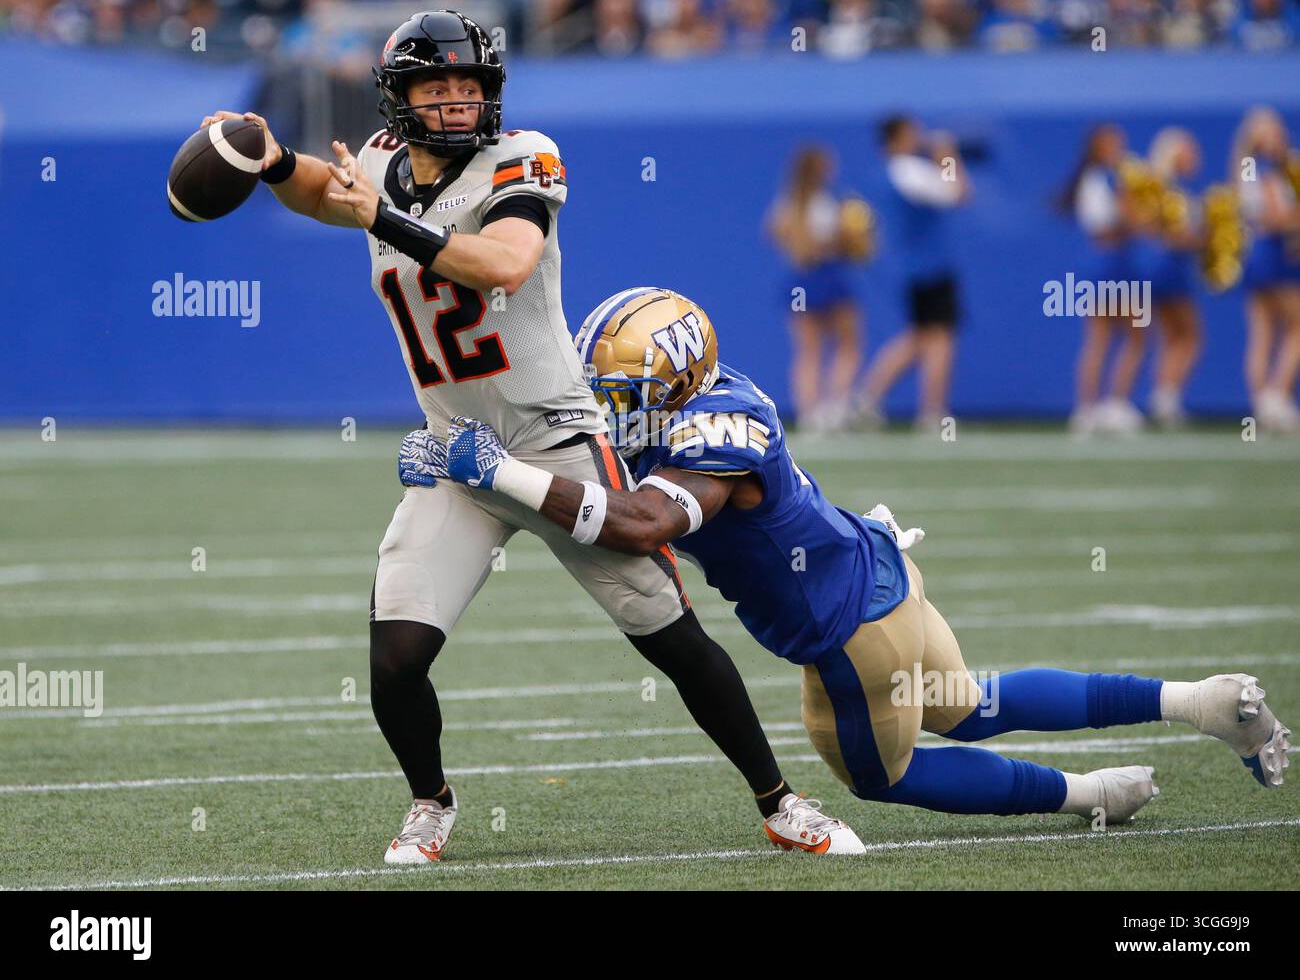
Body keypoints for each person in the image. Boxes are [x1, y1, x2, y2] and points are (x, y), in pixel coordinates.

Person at [201, 10, 859, 863]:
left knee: (668, 635)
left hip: (553, 439)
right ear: (400, 98)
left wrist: (382, 221)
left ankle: (780, 801)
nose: (457, 101)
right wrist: (272, 161)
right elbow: (329, 197)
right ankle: (430, 802)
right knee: (397, 655)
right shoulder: (377, 166)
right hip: (451, 452)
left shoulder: (523, 158)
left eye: (471, 85)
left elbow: (504, 262)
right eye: (437, 87)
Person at [430, 288, 1291, 823]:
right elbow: (613, 462)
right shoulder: (717, 393)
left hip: (848, 632)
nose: (611, 411)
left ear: (672, 383)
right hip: (882, 572)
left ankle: (1089, 795)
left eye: (623, 395)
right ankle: (1204, 701)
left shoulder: (708, 442)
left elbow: (640, 525)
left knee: (883, 778)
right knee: (970, 705)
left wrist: (498, 470)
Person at [856, 115, 969, 432]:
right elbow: (959, 192)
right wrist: (949, 156)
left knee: (919, 337)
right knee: (940, 338)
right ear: (896, 139)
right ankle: (932, 411)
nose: (919, 137)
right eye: (911, 133)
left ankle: (868, 397)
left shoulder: (896, 170)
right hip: (930, 266)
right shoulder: (910, 169)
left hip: (916, 265)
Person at [766, 146, 865, 433]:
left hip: (800, 280)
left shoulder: (785, 204)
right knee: (848, 344)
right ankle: (834, 407)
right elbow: (835, 245)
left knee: (808, 350)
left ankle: (809, 413)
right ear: (818, 169)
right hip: (829, 275)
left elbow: (774, 233)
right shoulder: (827, 205)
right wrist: (849, 237)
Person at [1063, 123, 1146, 435]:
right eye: (1113, 144)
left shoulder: (1100, 178)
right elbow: (1116, 223)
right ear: (1098, 147)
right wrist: (1147, 218)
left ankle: (1092, 407)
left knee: (1105, 337)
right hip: (1111, 262)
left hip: (1106, 262)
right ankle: (1112, 404)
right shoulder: (1104, 179)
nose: (1120, 149)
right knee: (1130, 335)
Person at [1233, 106, 1300, 433]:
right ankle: (1276, 395)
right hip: (1276, 254)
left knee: (1262, 333)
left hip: (1258, 254)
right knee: (1295, 327)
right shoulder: (1270, 169)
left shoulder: (1245, 167)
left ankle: (1263, 404)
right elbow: (1274, 217)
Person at [1132, 127, 1205, 428]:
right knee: (1190, 335)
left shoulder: (1157, 186)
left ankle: (1164, 397)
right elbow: (1175, 235)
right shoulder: (1168, 190)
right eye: (1189, 152)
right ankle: (1166, 397)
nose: (1195, 158)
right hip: (1168, 266)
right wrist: (1209, 240)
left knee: (1170, 335)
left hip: (1153, 265)